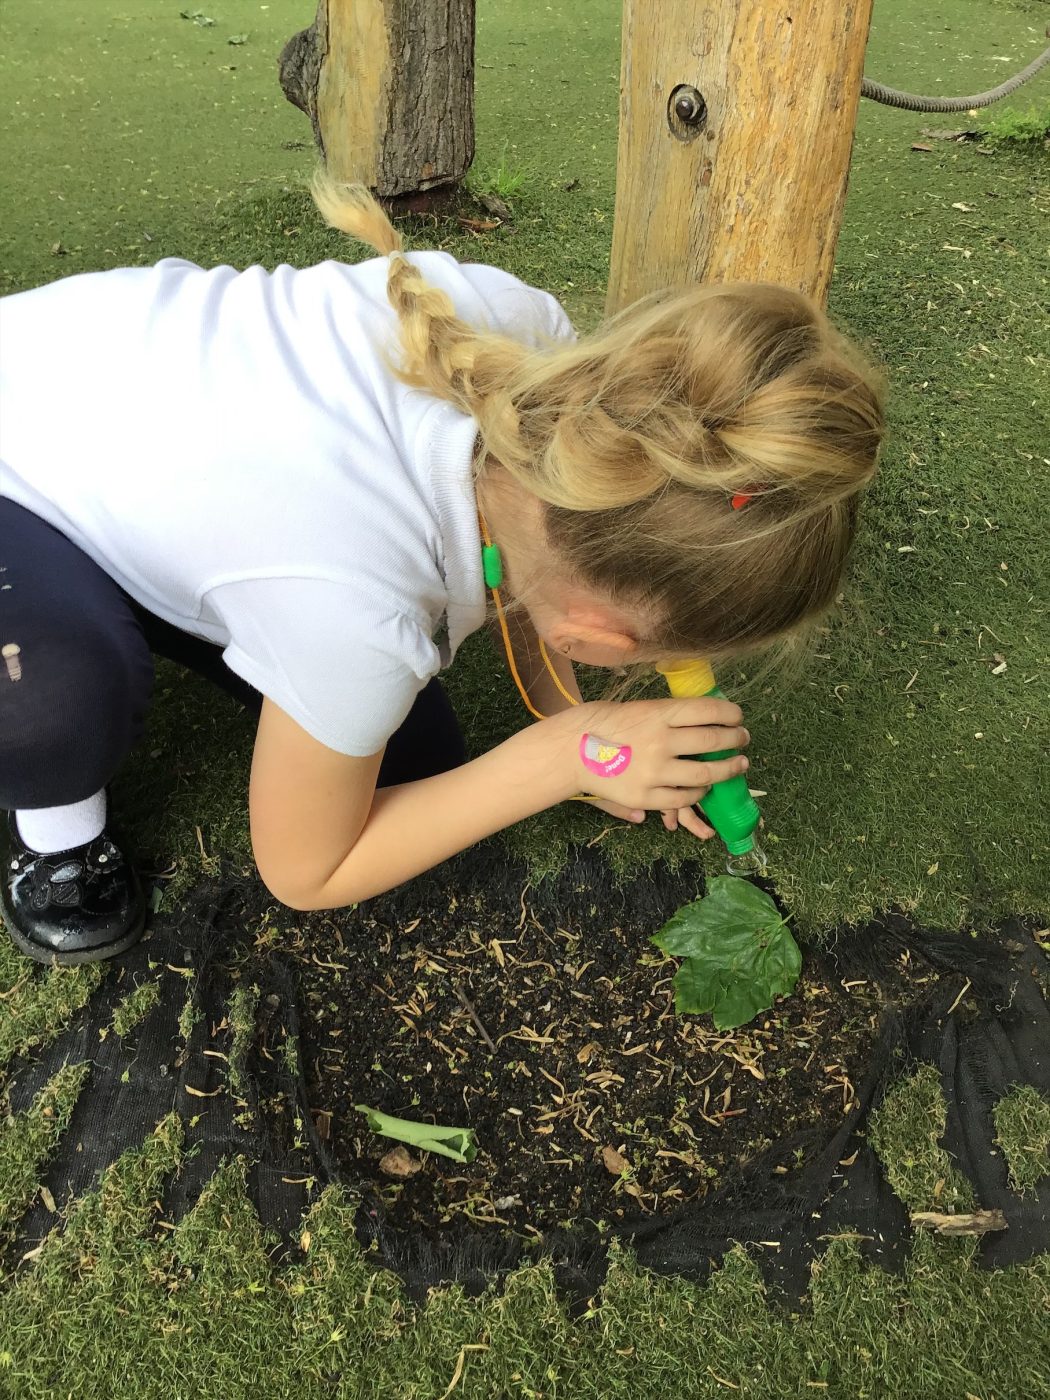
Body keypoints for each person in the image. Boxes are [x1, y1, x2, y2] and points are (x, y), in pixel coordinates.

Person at [0, 175, 885, 965]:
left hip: (153, 431)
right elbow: (307, 869)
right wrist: (567, 756)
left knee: (419, 768)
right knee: (50, 705)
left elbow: (537, 570)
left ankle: (175, 582)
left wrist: (582, 727)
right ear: (597, 636)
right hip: (22, 460)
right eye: (661, 660)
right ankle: (59, 836)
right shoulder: (360, 620)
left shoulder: (533, 352)